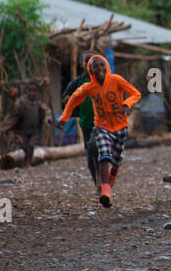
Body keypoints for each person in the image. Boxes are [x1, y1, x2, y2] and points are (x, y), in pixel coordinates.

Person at [57, 54, 142, 208]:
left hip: (120, 126)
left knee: (116, 161)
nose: (100, 69)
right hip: (101, 126)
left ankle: (113, 173)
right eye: (95, 66)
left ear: (107, 65)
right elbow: (73, 99)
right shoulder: (87, 87)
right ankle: (105, 193)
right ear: (90, 70)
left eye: (102, 65)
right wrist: (64, 118)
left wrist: (126, 104)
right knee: (104, 156)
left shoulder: (116, 80)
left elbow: (135, 93)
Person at [61, 52, 99, 182]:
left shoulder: (105, 80)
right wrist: (67, 100)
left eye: (92, 60)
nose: (89, 63)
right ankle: (97, 181)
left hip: (103, 122)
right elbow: (66, 96)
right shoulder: (78, 82)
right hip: (86, 122)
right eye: (86, 61)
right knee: (90, 154)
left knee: (95, 147)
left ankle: (105, 180)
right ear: (82, 64)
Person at [1, 81, 50, 168]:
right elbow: (14, 113)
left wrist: (47, 119)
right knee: (24, 146)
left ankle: (28, 163)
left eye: (34, 91)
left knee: (31, 145)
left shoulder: (39, 104)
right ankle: (26, 161)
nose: (32, 93)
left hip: (35, 130)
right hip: (23, 130)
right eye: (30, 90)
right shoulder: (22, 103)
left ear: (38, 92)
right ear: (27, 91)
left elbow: (46, 112)